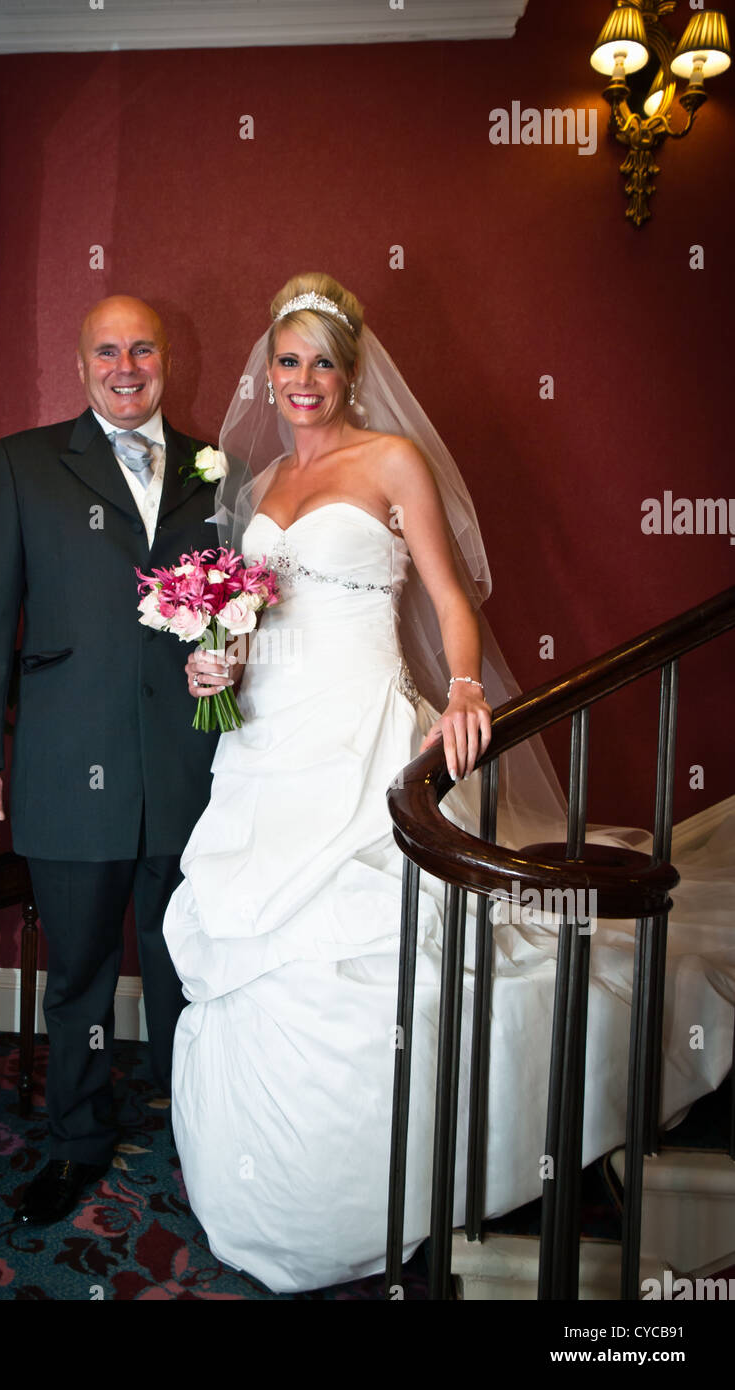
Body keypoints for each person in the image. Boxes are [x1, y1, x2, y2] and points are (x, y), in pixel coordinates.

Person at [162, 272, 735, 1294]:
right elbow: (244, 626)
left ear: (348, 371)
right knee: (253, 953)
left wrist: (464, 684)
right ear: (270, 368)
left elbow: (446, 590)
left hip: (361, 732)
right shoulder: (251, 494)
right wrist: (213, 664)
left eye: (320, 362)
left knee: (379, 952)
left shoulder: (391, 459)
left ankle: (380, 1190)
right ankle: (261, 1193)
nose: (301, 380)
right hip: (263, 746)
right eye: (285, 360)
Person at [0, 295, 220, 1226]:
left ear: (166, 358)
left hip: (195, 769)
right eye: (106, 350)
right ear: (81, 365)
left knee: (193, 967)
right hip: (70, 763)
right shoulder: (26, 464)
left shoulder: (217, 471)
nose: (126, 365)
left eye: (143, 346)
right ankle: (77, 1142)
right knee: (78, 975)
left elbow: (249, 610)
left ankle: (206, 1143)